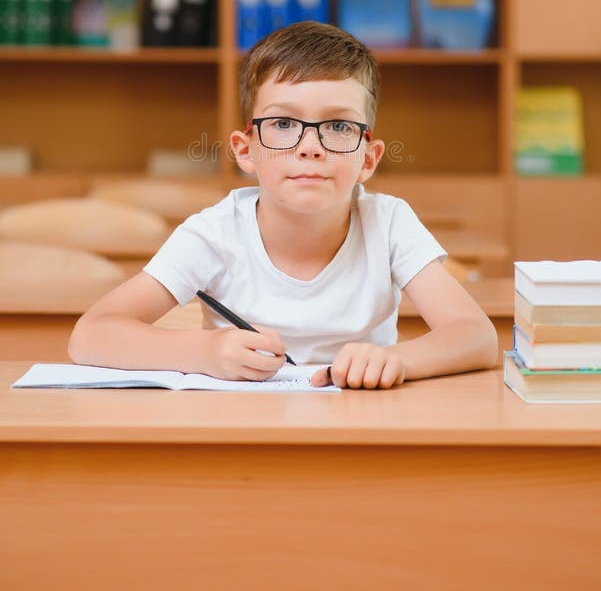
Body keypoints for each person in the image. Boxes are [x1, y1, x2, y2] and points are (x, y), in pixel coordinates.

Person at [69, 21, 498, 389]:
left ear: (368, 158)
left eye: (338, 126)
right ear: (245, 150)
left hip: (364, 428)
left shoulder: (388, 223)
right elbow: (91, 335)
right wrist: (204, 350)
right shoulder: (214, 233)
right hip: (241, 434)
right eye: (283, 123)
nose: (310, 147)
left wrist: (400, 360)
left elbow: (476, 336)